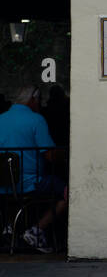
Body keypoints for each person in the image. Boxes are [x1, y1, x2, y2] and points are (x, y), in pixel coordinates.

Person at [0, 85, 67, 253]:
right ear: (33, 100)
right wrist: (66, 153)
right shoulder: (36, 120)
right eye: (39, 100)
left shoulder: (1, 119)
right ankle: (36, 230)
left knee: (12, 195)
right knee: (68, 192)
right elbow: (50, 155)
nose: (40, 104)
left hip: (3, 183)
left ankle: (9, 228)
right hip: (29, 182)